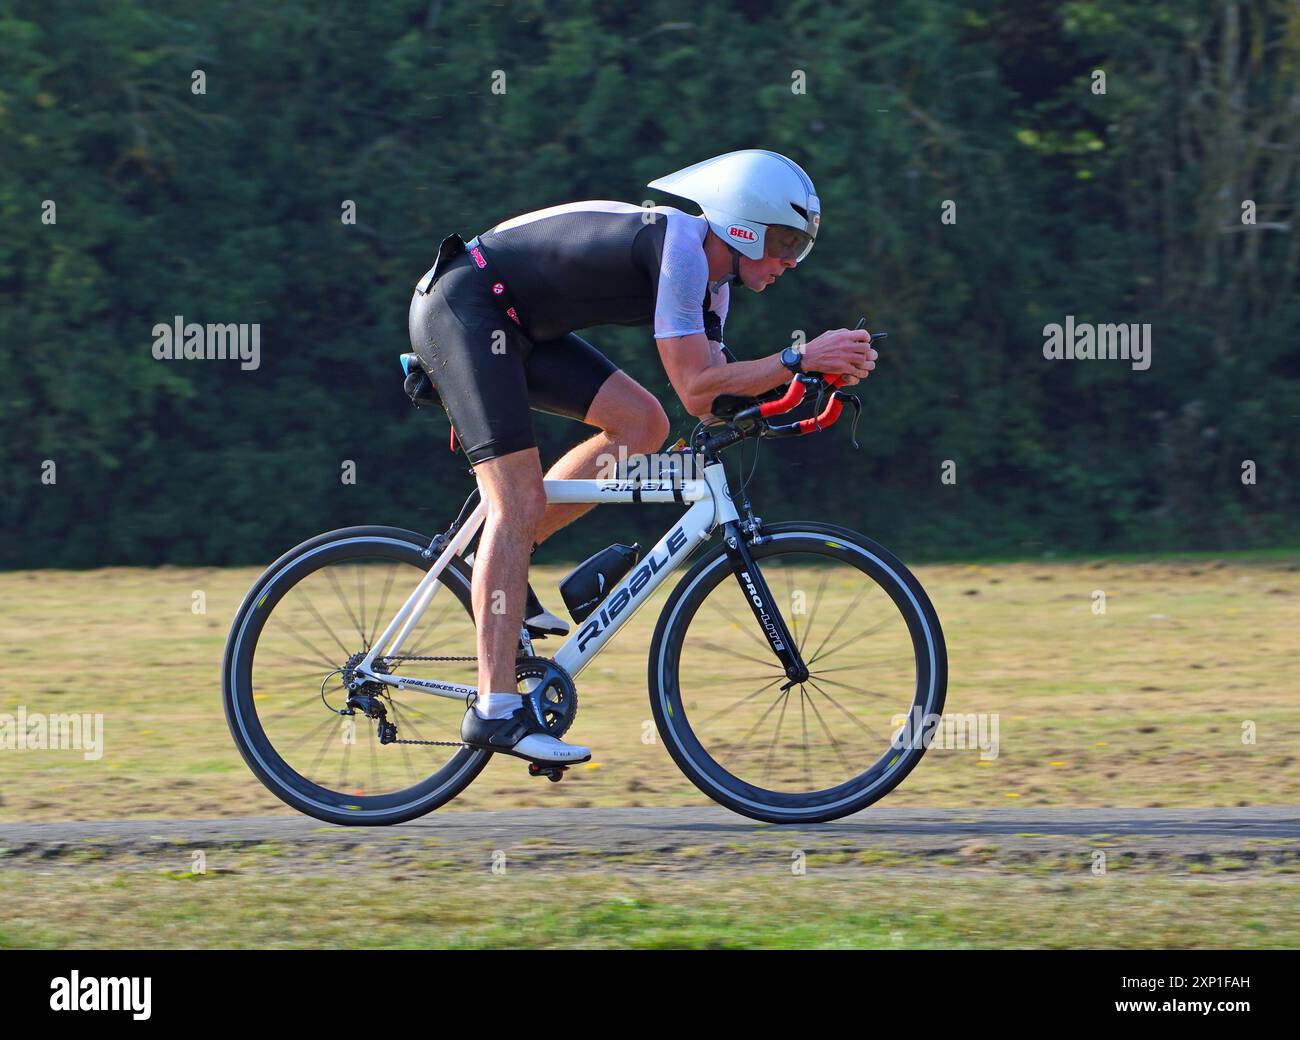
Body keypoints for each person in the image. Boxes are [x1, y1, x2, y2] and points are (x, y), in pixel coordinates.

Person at [406, 149, 877, 766]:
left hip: (514, 324)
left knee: (641, 423)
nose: (791, 260)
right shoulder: (682, 250)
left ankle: (505, 562)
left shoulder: (714, 284)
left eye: (802, 247)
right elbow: (695, 384)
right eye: (785, 241)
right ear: (741, 227)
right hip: (463, 309)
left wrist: (809, 390)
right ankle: (494, 710)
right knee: (515, 499)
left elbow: (715, 401)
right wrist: (798, 359)